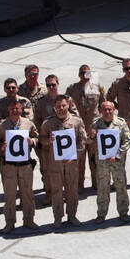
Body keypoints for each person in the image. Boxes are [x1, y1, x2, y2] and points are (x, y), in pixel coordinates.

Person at [41, 96, 87, 228]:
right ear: (54, 107)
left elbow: (82, 141)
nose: (61, 109)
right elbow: (42, 139)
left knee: (72, 189)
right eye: (58, 106)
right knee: (56, 191)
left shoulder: (76, 121)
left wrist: (75, 156)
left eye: (63, 106)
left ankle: (72, 215)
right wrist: (48, 140)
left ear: (68, 105)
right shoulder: (48, 123)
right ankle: (58, 217)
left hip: (71, 162)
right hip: (55, 162)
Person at [0, 98, 38, 232]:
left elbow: (37, 136)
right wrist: (1, 146)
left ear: (21, 109)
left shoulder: (28, 124)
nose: (14, 111)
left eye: (17, 108)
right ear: (8, 110)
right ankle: (10, 222)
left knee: (28, 194)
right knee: (10, 196)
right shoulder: (2, 126)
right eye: (12, 109)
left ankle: (29, 220)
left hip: (25, 165)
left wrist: (32, 141)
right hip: (9, 166)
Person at [91, 100, 130, 222]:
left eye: (110, 109)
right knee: (102, 188)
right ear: (101, 110)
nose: (107, 112)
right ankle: (101, 213)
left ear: (114, 110)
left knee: (121, 187)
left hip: (117, 162)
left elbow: (126, 141)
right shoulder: (96, 124)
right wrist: (92, 136)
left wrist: (118, 155)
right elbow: (88, 140)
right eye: (105, 109)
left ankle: (123, 212)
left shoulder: (120, 123)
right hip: (102, 162)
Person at [66, 64, 105, 190]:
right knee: (79, 161)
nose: (85, 75)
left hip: (94, 129)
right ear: (79, 75)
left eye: (88, 73)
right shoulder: (72, 89)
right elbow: (66, 106)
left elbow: (103, 106)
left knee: (95, 159)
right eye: (83, 73)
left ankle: (96, 184)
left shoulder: (98, 88)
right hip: (78, 131)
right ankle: (79, 186)